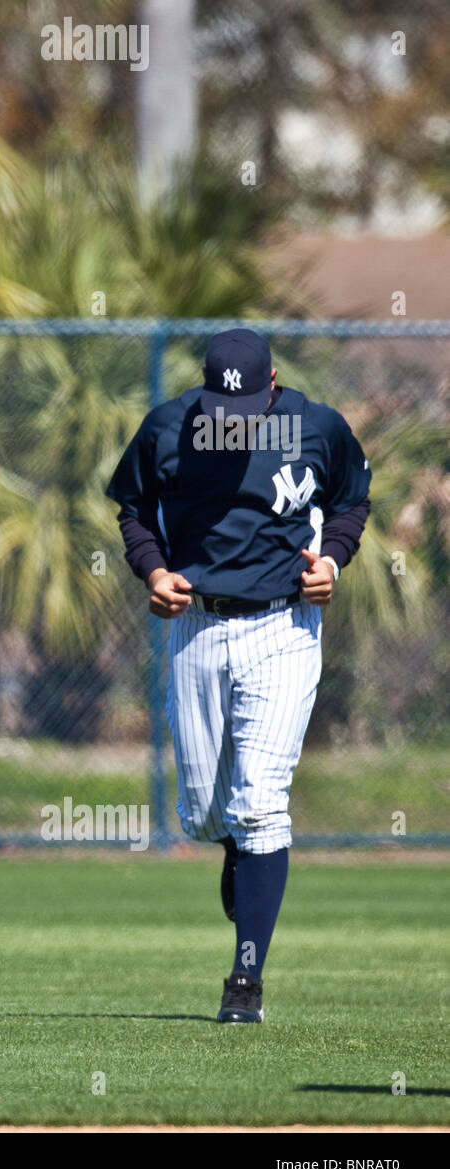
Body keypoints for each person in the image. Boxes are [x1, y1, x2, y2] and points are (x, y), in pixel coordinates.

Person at [107, 327, 370, 1022]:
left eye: (250, 407)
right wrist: (154, 570)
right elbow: (132, 509)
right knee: (202, 813)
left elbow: (351, 500)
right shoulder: (169, 428)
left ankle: (245, 981)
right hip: (196, 624)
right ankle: (235, 846)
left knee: (260, 803)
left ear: (274, 382)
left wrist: (332, 560)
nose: (237, 423)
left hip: (284, 628)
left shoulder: (316, 428)